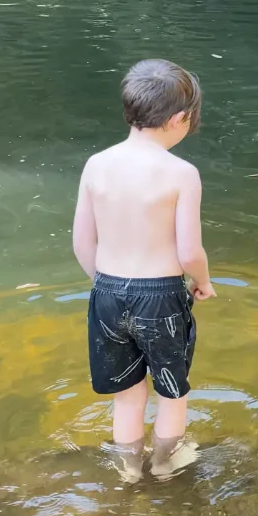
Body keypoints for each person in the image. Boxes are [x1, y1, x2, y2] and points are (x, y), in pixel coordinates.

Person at [71, 58, 217, 484]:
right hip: (160, 298)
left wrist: (106, 287)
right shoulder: (181, 173)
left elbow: (82, 242)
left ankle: (128, 472)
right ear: (178, 119)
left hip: (107, 292)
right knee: (172, 393)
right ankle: (166, 466)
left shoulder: (97, 164)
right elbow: (189, 251)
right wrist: (202, 281)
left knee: (127, 395)